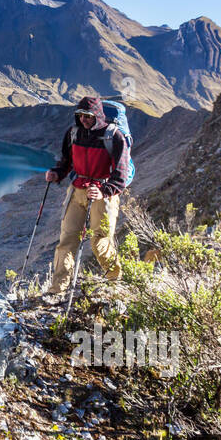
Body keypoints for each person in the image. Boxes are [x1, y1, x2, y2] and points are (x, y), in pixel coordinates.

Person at [44, 96, 131, 296]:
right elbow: (66, 162)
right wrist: (56, 173)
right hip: (77, 191)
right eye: (80, 115)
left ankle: (115, 283)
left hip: (103, 195)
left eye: (88, 116)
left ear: (98, 115)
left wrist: (103, 191)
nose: (84, 119)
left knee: (100, 241)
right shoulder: (73, 133)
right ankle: (58, 289)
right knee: (67, 240)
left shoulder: (115, 137)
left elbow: (120, 177)